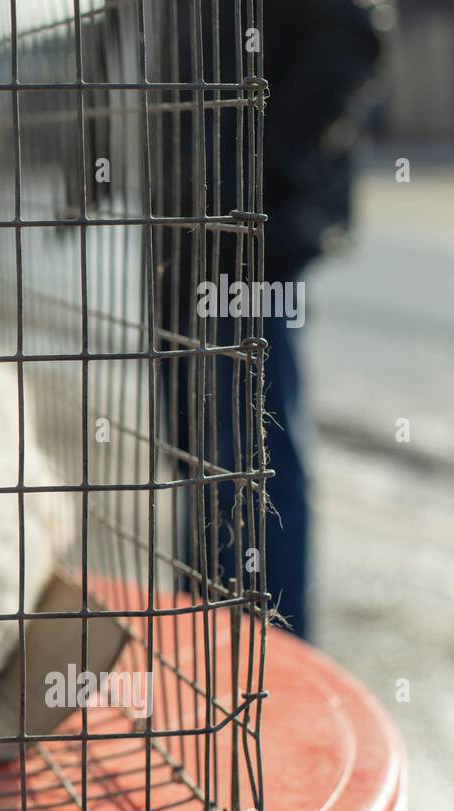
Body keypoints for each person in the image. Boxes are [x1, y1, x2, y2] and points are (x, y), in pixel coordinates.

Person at [168, 1, 384, 642]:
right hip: (181, 231)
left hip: (247, 238)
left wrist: (252, 168)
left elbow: (349, 35)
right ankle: (203, 645)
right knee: (198, 450)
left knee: (254, 458)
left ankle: (276, 657)